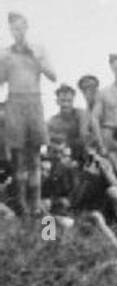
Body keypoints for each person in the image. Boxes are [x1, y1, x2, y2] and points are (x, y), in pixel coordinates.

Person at [0, 11, 56, 215]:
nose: (19, 31)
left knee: (34, 157)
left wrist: (37, 57)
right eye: (14, 28)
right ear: (11, 30)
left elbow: (53, 75)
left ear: (27, 27)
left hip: (34, 100)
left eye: (21, 27)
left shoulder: (39, 49)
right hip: (14, 101)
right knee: (18, 157)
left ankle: (36, 205)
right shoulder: (5, 53)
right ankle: (22, 205)